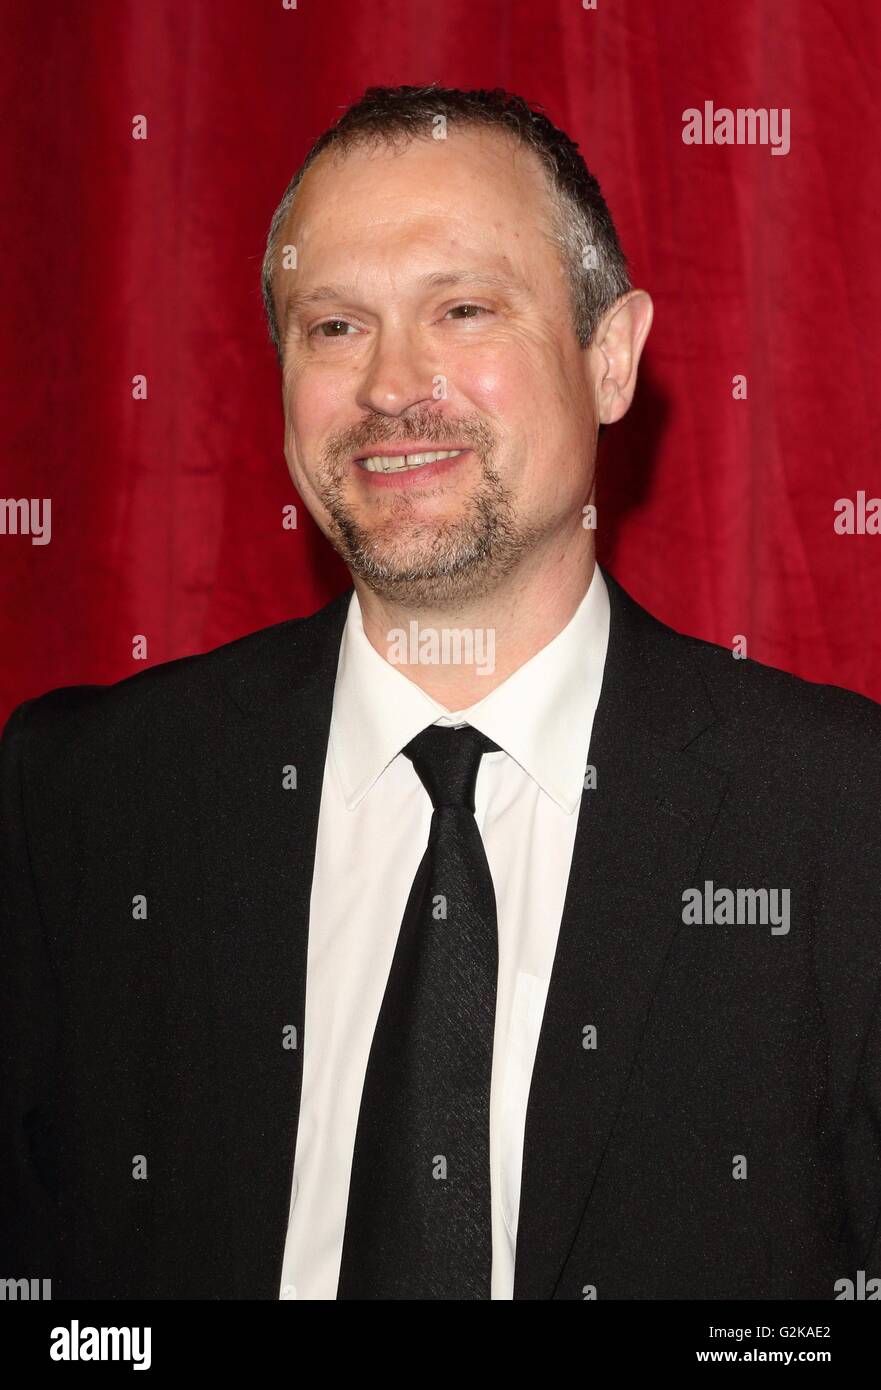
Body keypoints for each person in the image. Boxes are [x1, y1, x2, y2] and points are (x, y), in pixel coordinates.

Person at [1, 85, 879, 1301]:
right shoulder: (83, 799)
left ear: (609, 356)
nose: (388, 386)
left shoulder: (839, 818)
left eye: (461, 310)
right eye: (334, 328)